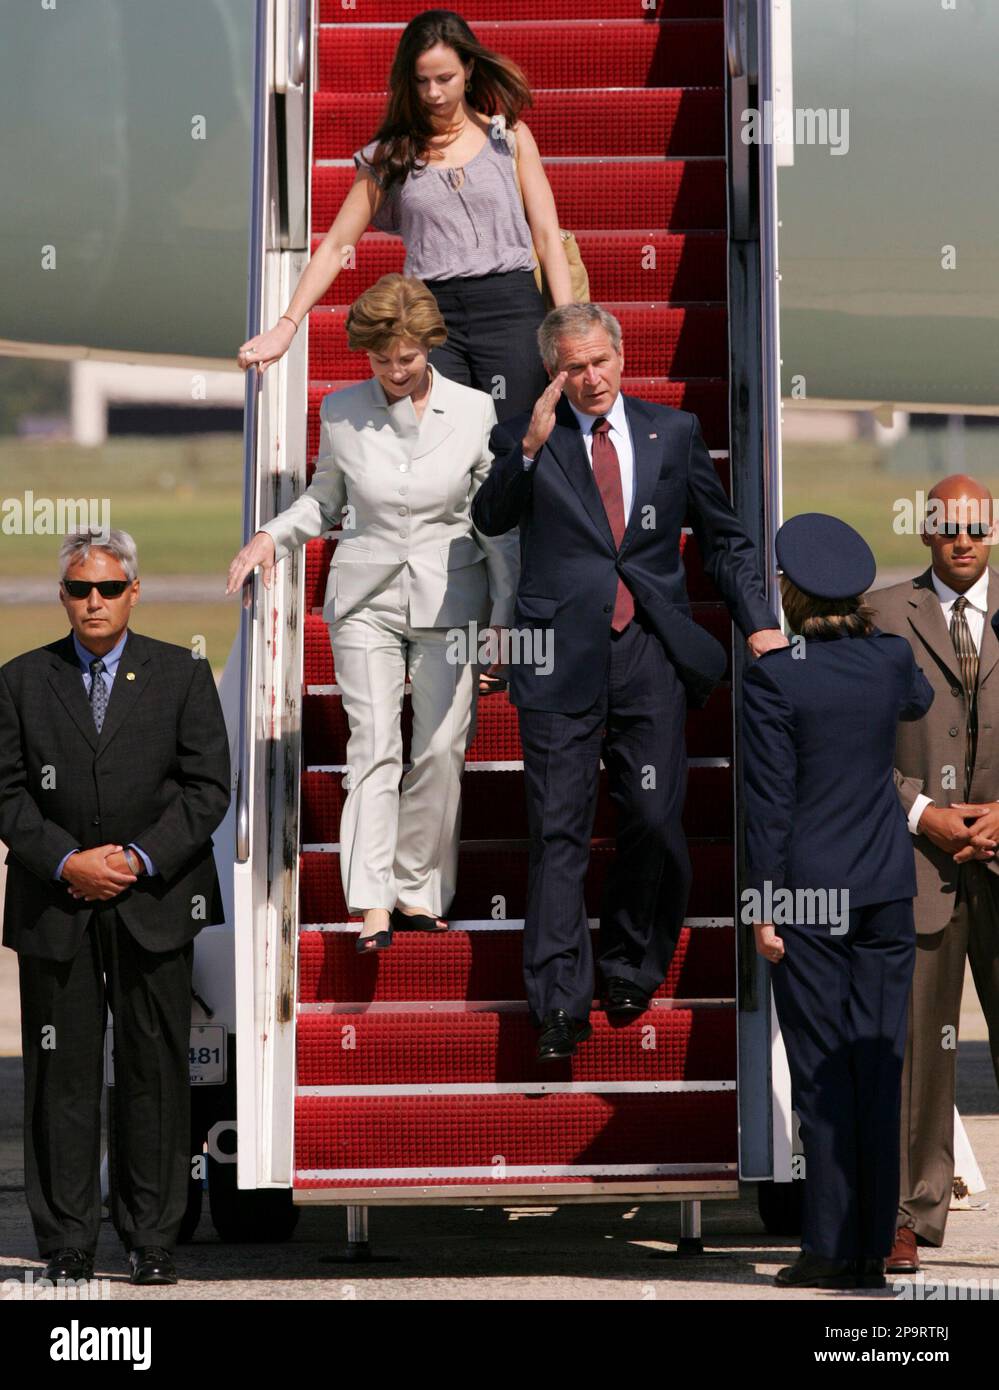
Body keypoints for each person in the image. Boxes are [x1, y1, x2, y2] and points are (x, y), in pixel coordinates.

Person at [471, 302, 785, 1061]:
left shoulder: (670, 432)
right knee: (556, 832)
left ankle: (629, 962)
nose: (589, 378)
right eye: (572, 368)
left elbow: (724, 539)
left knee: (650, 816)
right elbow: (490, 516)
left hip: (647, 650)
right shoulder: (522, 435)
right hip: (557, 657)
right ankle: (556, 1004)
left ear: (621, 355)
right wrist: (530, 448)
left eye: (599, 361)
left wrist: (760, 623)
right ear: (553, 373)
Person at [228, 274, 518, 950]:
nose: (393, 371)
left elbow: (497, 528)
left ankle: (417, 889)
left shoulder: (475, 411)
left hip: (454, 596)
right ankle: (372, 902)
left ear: (430, 348)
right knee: (373, 746)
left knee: (442, 749)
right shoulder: (340, 409)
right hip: (364, 602)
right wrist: (272, 536)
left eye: (407, 359)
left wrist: (503, 623)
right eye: (381, 359)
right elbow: (324, 500)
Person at [0, 529, 231, 1287]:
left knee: (153, 1077)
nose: (91, 601)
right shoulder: (21, 681)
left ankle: (151, 1236)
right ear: (61, 595)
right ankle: (66, 1240)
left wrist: (133, 861)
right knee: (59, 1079)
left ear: (134, 590)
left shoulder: (183, 673)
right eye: (77, 588)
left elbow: (207, 789)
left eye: (106, 588)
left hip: (155, 902)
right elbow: (7, 793)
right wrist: (68, 861)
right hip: (55, 905)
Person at [743, 513, 934, 1290]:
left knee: (822, 1071)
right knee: (876, 1066)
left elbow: (769, 803)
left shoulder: (776, 676)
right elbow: (918, 702)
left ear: (788, 595)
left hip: (809, 893)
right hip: (886, 886)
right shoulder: (889, 658)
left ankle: (829, 1248)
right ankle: (873, 1251)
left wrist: (763, 904)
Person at [237, 10, 572, 420]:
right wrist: (287, 325)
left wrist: (568, 324)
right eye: (421, 80)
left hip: (512, 308)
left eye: (444, 78)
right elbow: (338, 246)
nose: (432, 93)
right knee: (438, 442)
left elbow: (546, 236)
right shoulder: (390, 155)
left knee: (515, 441)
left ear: (468, 69)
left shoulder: (510, 138)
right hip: (429, 314)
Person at [866, 475, 999, 1273]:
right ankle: (906, 1217)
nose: (961, 540)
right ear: (923, 531)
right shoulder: (882, 616)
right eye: (947, 526)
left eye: (974, 528)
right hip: (918, 866)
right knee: (919, 1055)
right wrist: (922, 813)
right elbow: (850, 745)